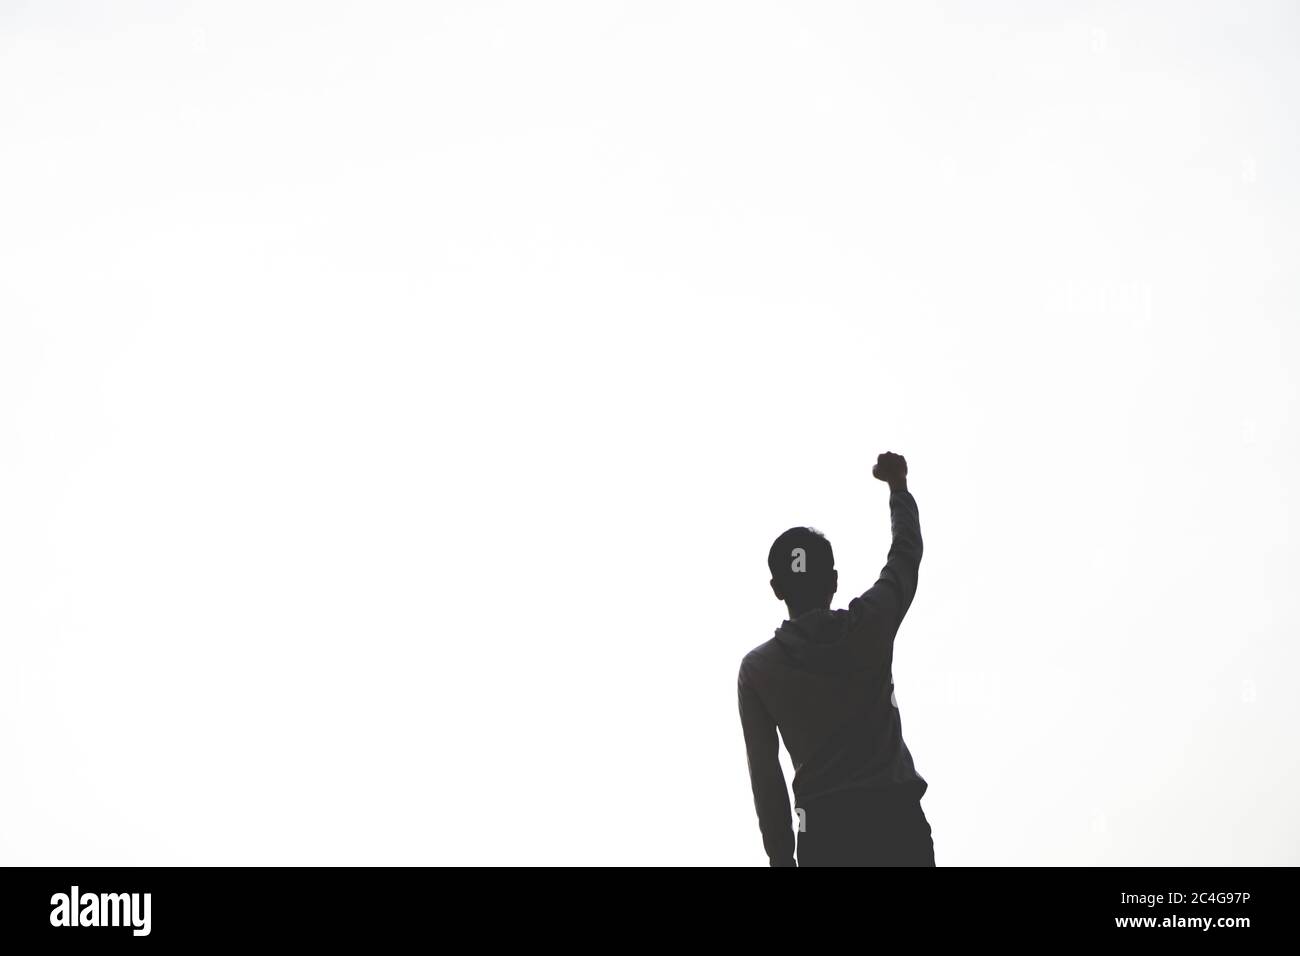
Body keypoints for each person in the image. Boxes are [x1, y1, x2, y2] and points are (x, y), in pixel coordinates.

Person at [737, 451, 933, 866]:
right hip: (898, 824)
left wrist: (780, 858)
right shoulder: (871, 623)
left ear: (777, 588)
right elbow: (905, 556)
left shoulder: (759, 670)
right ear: (833, 580)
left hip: (824, 833)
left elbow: (767, 779)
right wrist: (898, 487)